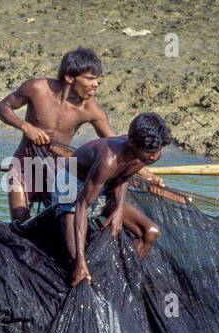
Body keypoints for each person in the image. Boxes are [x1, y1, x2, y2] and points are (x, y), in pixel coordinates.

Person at [0, 48, 162, 222]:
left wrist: (147, 173)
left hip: (59, 167)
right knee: (19, 218)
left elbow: (120, 146)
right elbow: (1, 107)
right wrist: (27, 128)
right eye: (90, 78)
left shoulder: (92, 110)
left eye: (97, 79)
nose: (96, 84)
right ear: (69, 77)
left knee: (58, 218)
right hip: (25, 161)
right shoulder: (36, 88)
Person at [55, 112, 171, 286]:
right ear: (133, 144)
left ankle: (118, 281)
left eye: (158, 150)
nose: (154, 157)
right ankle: (80, 268)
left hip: (105, 184)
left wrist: (119, 209)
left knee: (151, 232)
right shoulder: (108, 160)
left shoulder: (145, 154)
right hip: (72, 185)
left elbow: (123, 176)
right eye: (149, 152)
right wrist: (80, 262)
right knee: (80, 263)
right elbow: (82, 205)